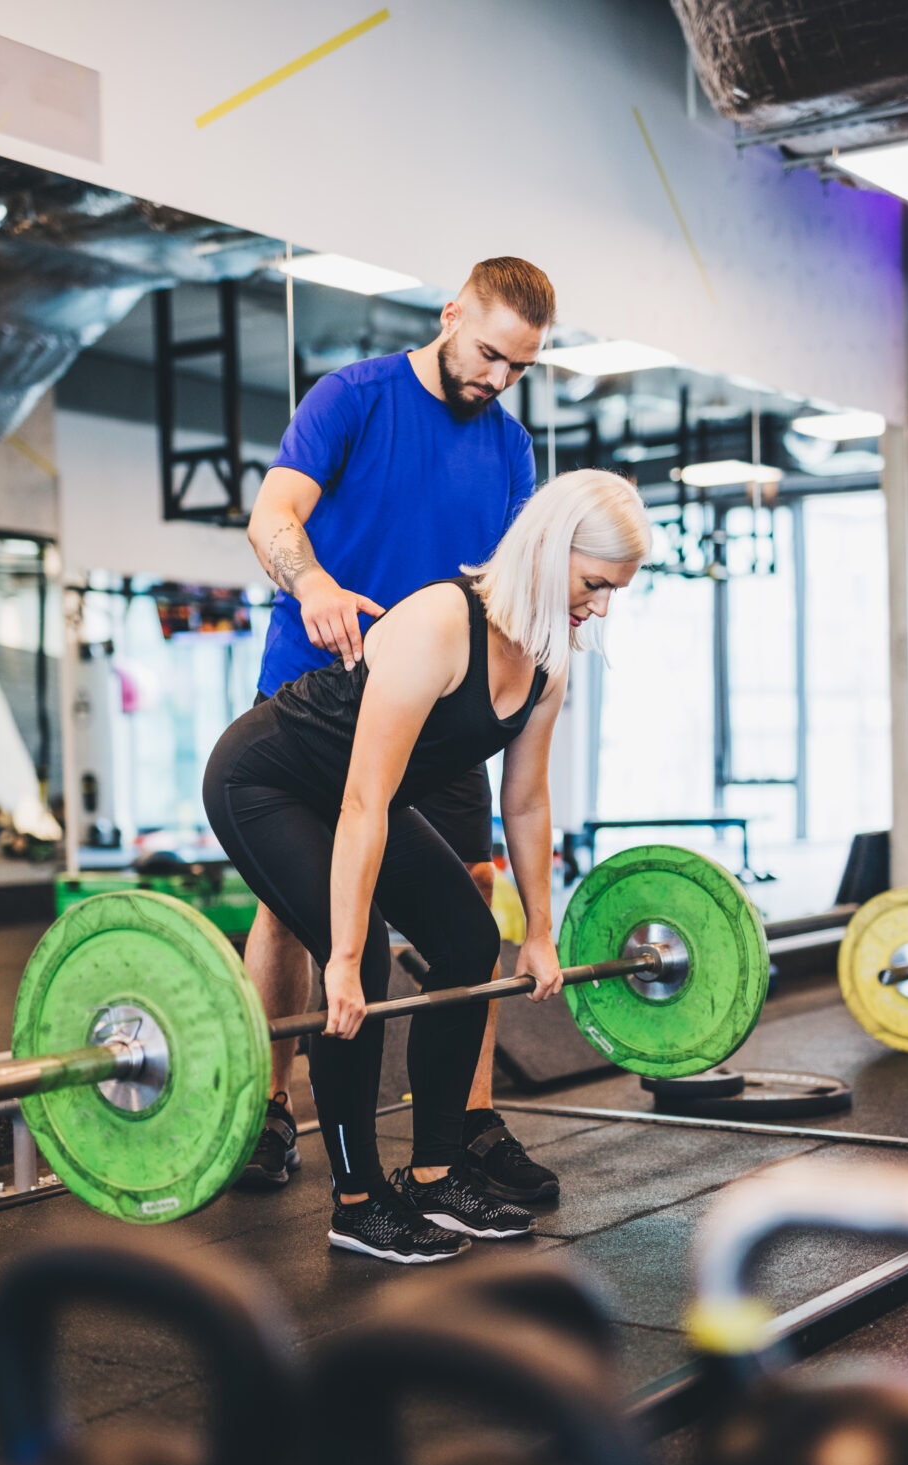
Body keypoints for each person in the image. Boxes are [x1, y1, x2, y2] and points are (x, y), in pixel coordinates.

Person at [204, 468, 651, 1263]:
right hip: (268, 782)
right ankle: (355, 1200)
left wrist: (541, 932)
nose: (602, 605)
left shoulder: (550, 655)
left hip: (352, 794)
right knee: (364, 958)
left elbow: (527, 802)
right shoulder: (443, 623)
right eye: (594, 583)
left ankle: (438, 1174)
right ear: (553, 553)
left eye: (615, 590)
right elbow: (362, 804)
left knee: (470, 940)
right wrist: (340, 960)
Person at [240, 256, 562, 1203]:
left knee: (471, 907)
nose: (498, 380)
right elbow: (274, 515)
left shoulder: (508, 448)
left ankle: (467, 1120)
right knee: (297, 916)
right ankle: (268, 1107)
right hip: (320, 699)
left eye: (520, 369)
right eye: (490, 355)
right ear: (451, 312)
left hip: (442, 709)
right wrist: (314, 583)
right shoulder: (355, 397)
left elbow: (509, 588)